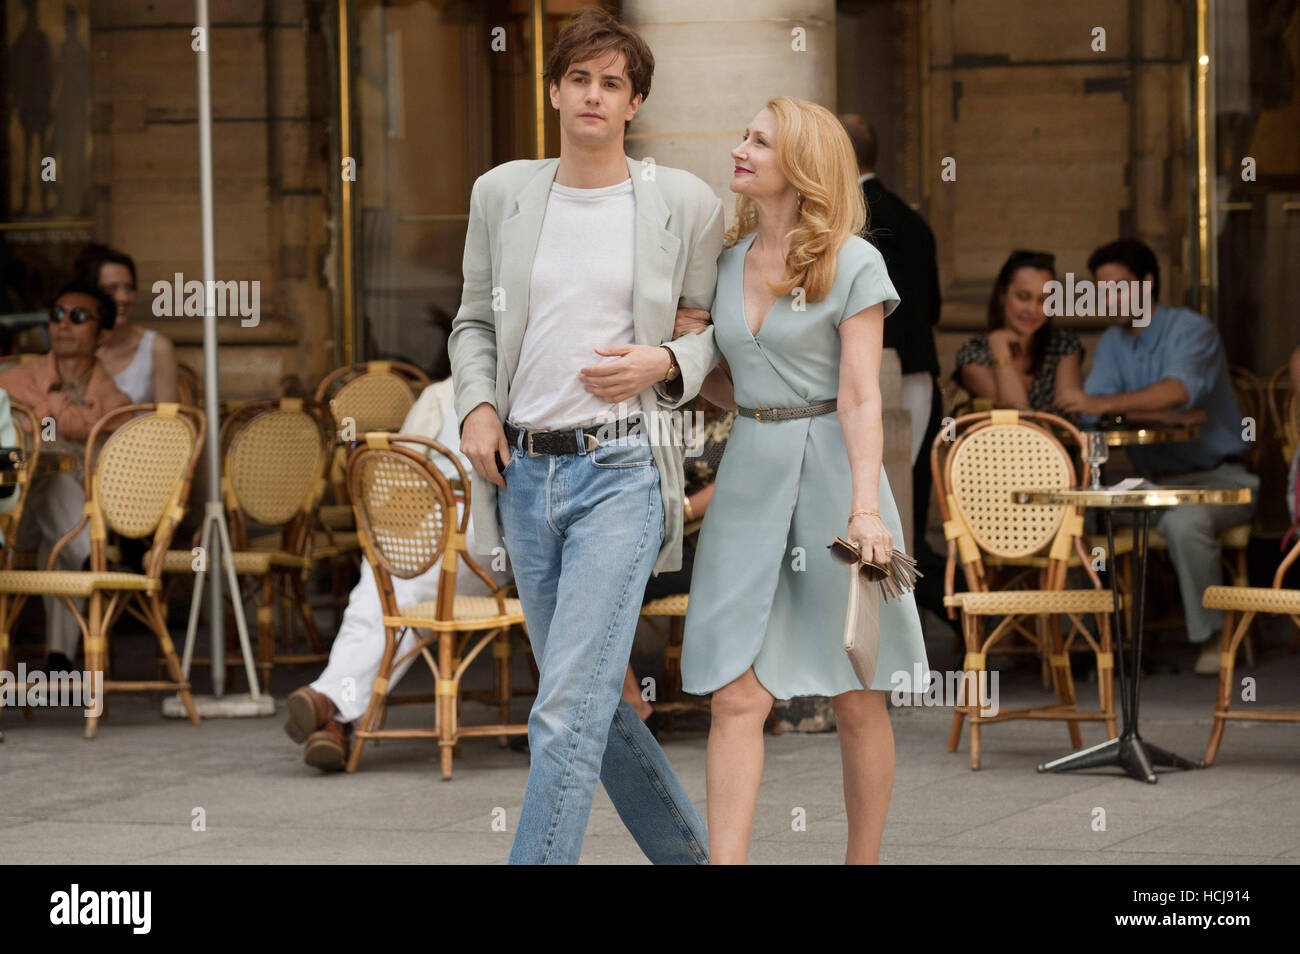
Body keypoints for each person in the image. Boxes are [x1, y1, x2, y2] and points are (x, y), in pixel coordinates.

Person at [448, 8, 721, 865]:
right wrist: (476, 408)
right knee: (593, 700)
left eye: (612, 83)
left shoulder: (684, 201)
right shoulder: (502, 193)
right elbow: (471, 322)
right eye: (580, 79)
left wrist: (661, 362)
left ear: (634, 101)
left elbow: (709, 334)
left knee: (564, 702)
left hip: (623, 470)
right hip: (524, 475)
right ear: (555, 89)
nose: (594, 95)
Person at [681, 97, 929, 865]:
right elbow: (734, 385)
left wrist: (867, 510)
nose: (741, 147)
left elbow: (859, 395)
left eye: (760, 140)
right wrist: (684, 371)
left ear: (802, 166)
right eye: (745, 134)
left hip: (833, 476)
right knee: (735, 692)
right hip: (750, 472)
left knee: (858, 691)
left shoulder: (854, 261)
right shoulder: (724, 261)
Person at [284, 377, 511, 770]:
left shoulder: (527, 385)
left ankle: (331, 705)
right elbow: (395, 474)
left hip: (492, 526)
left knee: (399, 590)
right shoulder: (441, 394)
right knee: (393, 592)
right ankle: (334, 718)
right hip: (426, 517)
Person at [1059, 238, 1258, 675]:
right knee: (1081, 512)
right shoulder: (1112, 342)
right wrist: (1127, 408)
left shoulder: (1192, 329)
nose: (1107, 299)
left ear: (1148, 283)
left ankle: (1214, 639)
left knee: (1185, 522)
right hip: (1152, 487)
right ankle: (1094, 642)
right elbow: (1090, 413)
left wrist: (1112, 406)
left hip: (1221, 480)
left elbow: (1178, 391)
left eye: (1118, 287)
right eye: (1100, 289)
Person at [0, 281, 131, 671]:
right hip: (10, 518)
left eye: (77, 317)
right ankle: (93, 558)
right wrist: (62, 411)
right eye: (56, 315)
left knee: (56, 546)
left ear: (103, 334)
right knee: (50, 482)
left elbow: (126, 447)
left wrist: (46, 412)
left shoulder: (117, 402)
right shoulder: (13, 378)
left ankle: (58, 657)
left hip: (74, 518)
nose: (63, 325)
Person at [838, 114, 943, 561]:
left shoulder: (859, 215)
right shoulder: (906, 214)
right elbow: (935, 306)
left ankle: (942, 608)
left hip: (890, 371)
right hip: (907, 372)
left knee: (892, 502)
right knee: (903, 500)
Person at [954, 250, 1085, 414]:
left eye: (1043, 300)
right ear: (1003, 295)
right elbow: (1016, 416)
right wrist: (999, 348)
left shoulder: (1064, 345)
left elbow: (1067, 417)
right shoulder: (973, 353)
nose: (1032, 309)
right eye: (1023, 297)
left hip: (1055, 440)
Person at [76, 244, 179, 404]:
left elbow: (169, 419)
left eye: (129, 288)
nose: (123, 297)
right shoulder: (75, 346)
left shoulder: (157, 347)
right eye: (111, 289)